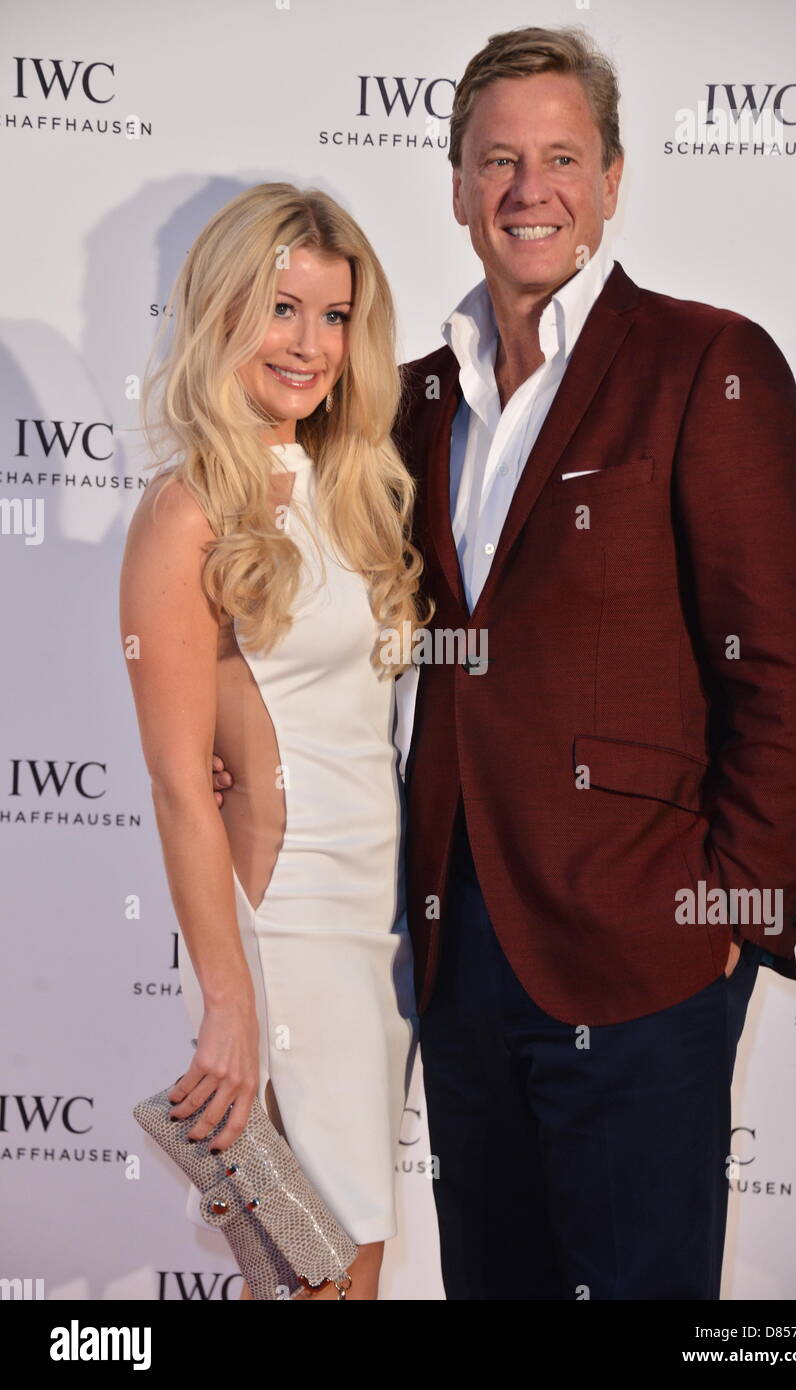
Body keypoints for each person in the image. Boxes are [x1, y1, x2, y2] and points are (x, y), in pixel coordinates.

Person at [213, 27, 796, 1300]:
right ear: (455, 185)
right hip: (453, 947)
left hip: (643, 945)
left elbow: (788, 665)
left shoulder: (704, 364)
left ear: (613, 179)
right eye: (497, 160)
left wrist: (730, 915)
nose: (528, 189)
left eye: (562, 157)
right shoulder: (407, 399)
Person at [120, 183, 430, 1300]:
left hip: (373, 925)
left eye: (334, 315)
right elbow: (174, 777)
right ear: (220, 315)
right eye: (281, 308)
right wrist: (230, 997)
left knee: (341, 1267)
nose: (310, 344)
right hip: (287, 923)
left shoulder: (350, 489)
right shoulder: (188, 507)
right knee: (319, 1272)